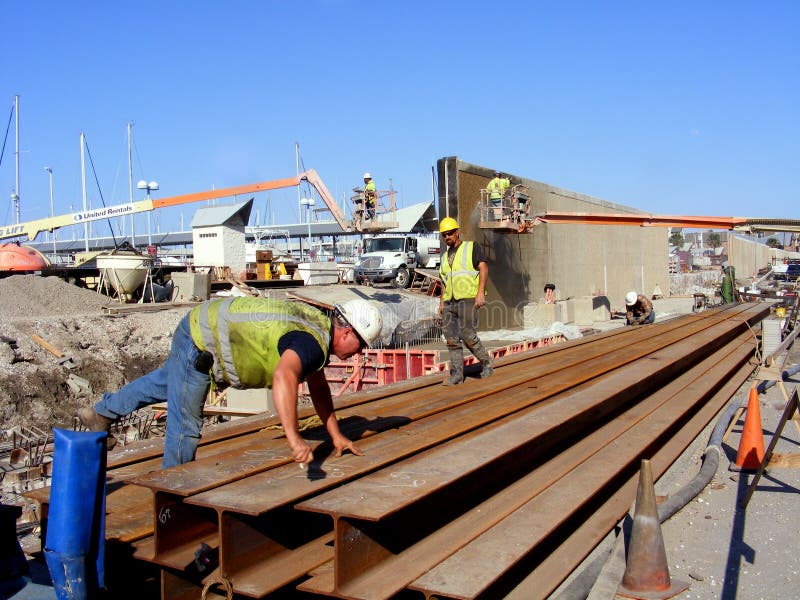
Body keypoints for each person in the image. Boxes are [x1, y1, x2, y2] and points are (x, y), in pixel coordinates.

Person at [78, 297, 383, 468]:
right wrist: (294, 440)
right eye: (362, 345)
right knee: (185, 426)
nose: (361, 353)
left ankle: (103, 412)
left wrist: (335, 435)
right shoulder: (312, 344)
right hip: (202, 344)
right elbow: (284, 376)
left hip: (200, 325)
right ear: (347, 333)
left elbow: (317, 387)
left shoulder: (318, 328)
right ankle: (172, 500)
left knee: (165, 383)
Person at [437, 217, 493, 384]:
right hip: (449, 302)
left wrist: (480, 293)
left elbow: (483, 267)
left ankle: (486, 362)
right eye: (444, 235)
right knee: (451, 339)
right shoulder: (444, 257)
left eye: (450, 233)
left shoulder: (471, 247)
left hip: (468, 299)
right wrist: (441, 302)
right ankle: (457, 375)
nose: (447, 237)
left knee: (467, 334)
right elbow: (444, 280)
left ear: (457, 232)